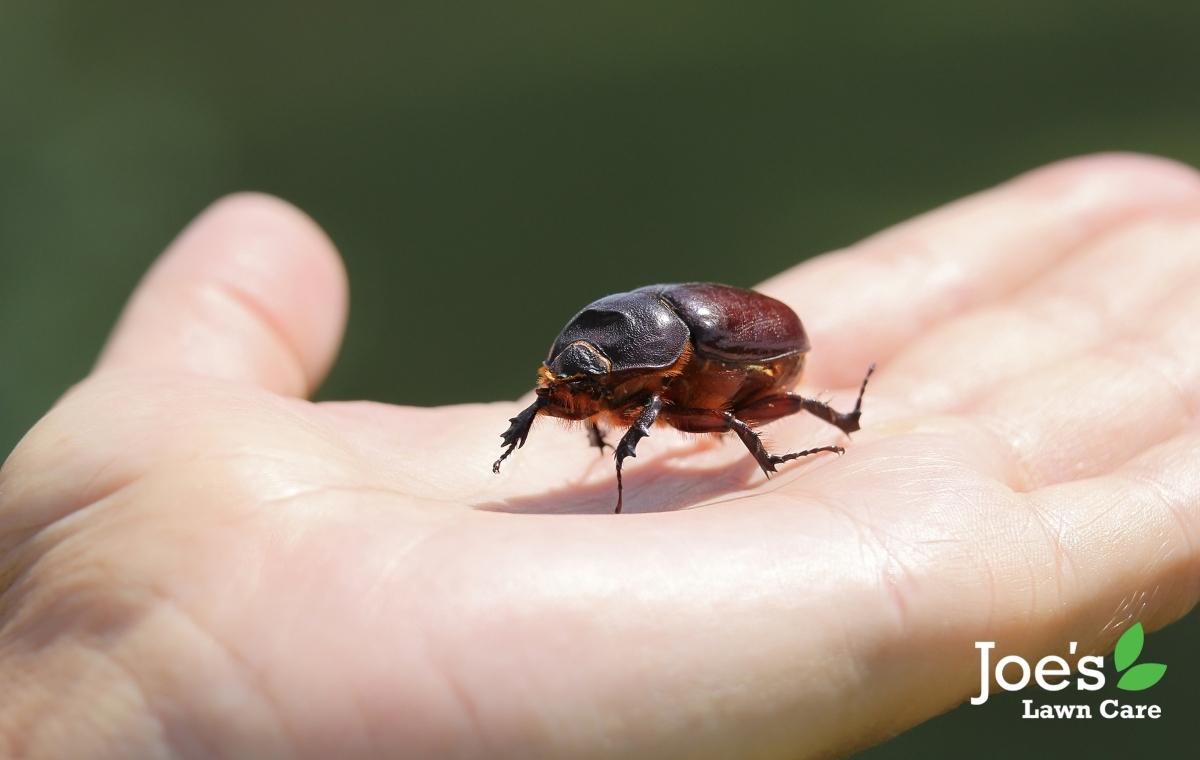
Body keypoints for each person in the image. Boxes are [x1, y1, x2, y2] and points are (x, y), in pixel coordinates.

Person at [1, 153, 1197, 758]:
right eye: (571, 376)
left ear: (642, 352)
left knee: (732, 420)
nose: (571, 385)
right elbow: (575, 379)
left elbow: (700, 401)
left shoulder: (685, 360)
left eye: (585, 378)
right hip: (683, 359)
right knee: (678, 420)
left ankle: (828, 429)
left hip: (755, 360)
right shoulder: (605, 351)